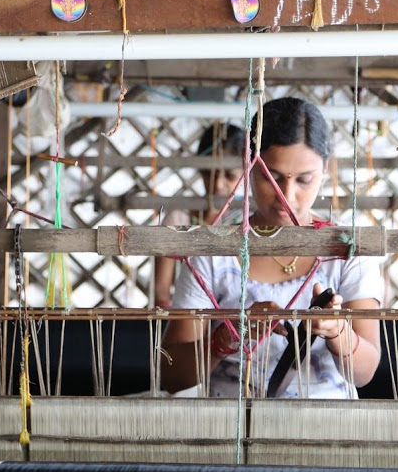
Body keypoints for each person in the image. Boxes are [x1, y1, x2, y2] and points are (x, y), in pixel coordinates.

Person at [161, 97, 382, 399]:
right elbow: (171, 376)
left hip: (329, 424)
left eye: (304, 180)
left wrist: (337, 331)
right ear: (248, 164)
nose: (286, 196)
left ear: (324, 171)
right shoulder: (212, 251)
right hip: (232, 425)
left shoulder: (347, 250)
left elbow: (365, 373)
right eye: (271, 177)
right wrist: (227, 337)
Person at [153, 124, 245, 308]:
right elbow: (161, 292)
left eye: (229, 175)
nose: (218, 185)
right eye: (209, 173)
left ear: (245, 172)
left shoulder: (249, 219)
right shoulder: (179, 218)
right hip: (187, 314)